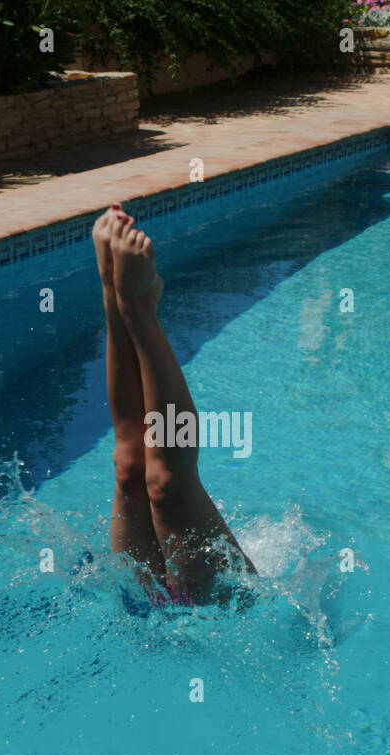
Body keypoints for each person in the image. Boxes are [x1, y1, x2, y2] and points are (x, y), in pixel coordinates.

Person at [92, 203, 256, 607]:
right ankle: (134, 306)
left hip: (148, 613)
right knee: (165, 482)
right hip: (219, 615)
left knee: (132, 467)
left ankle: (118, 296)